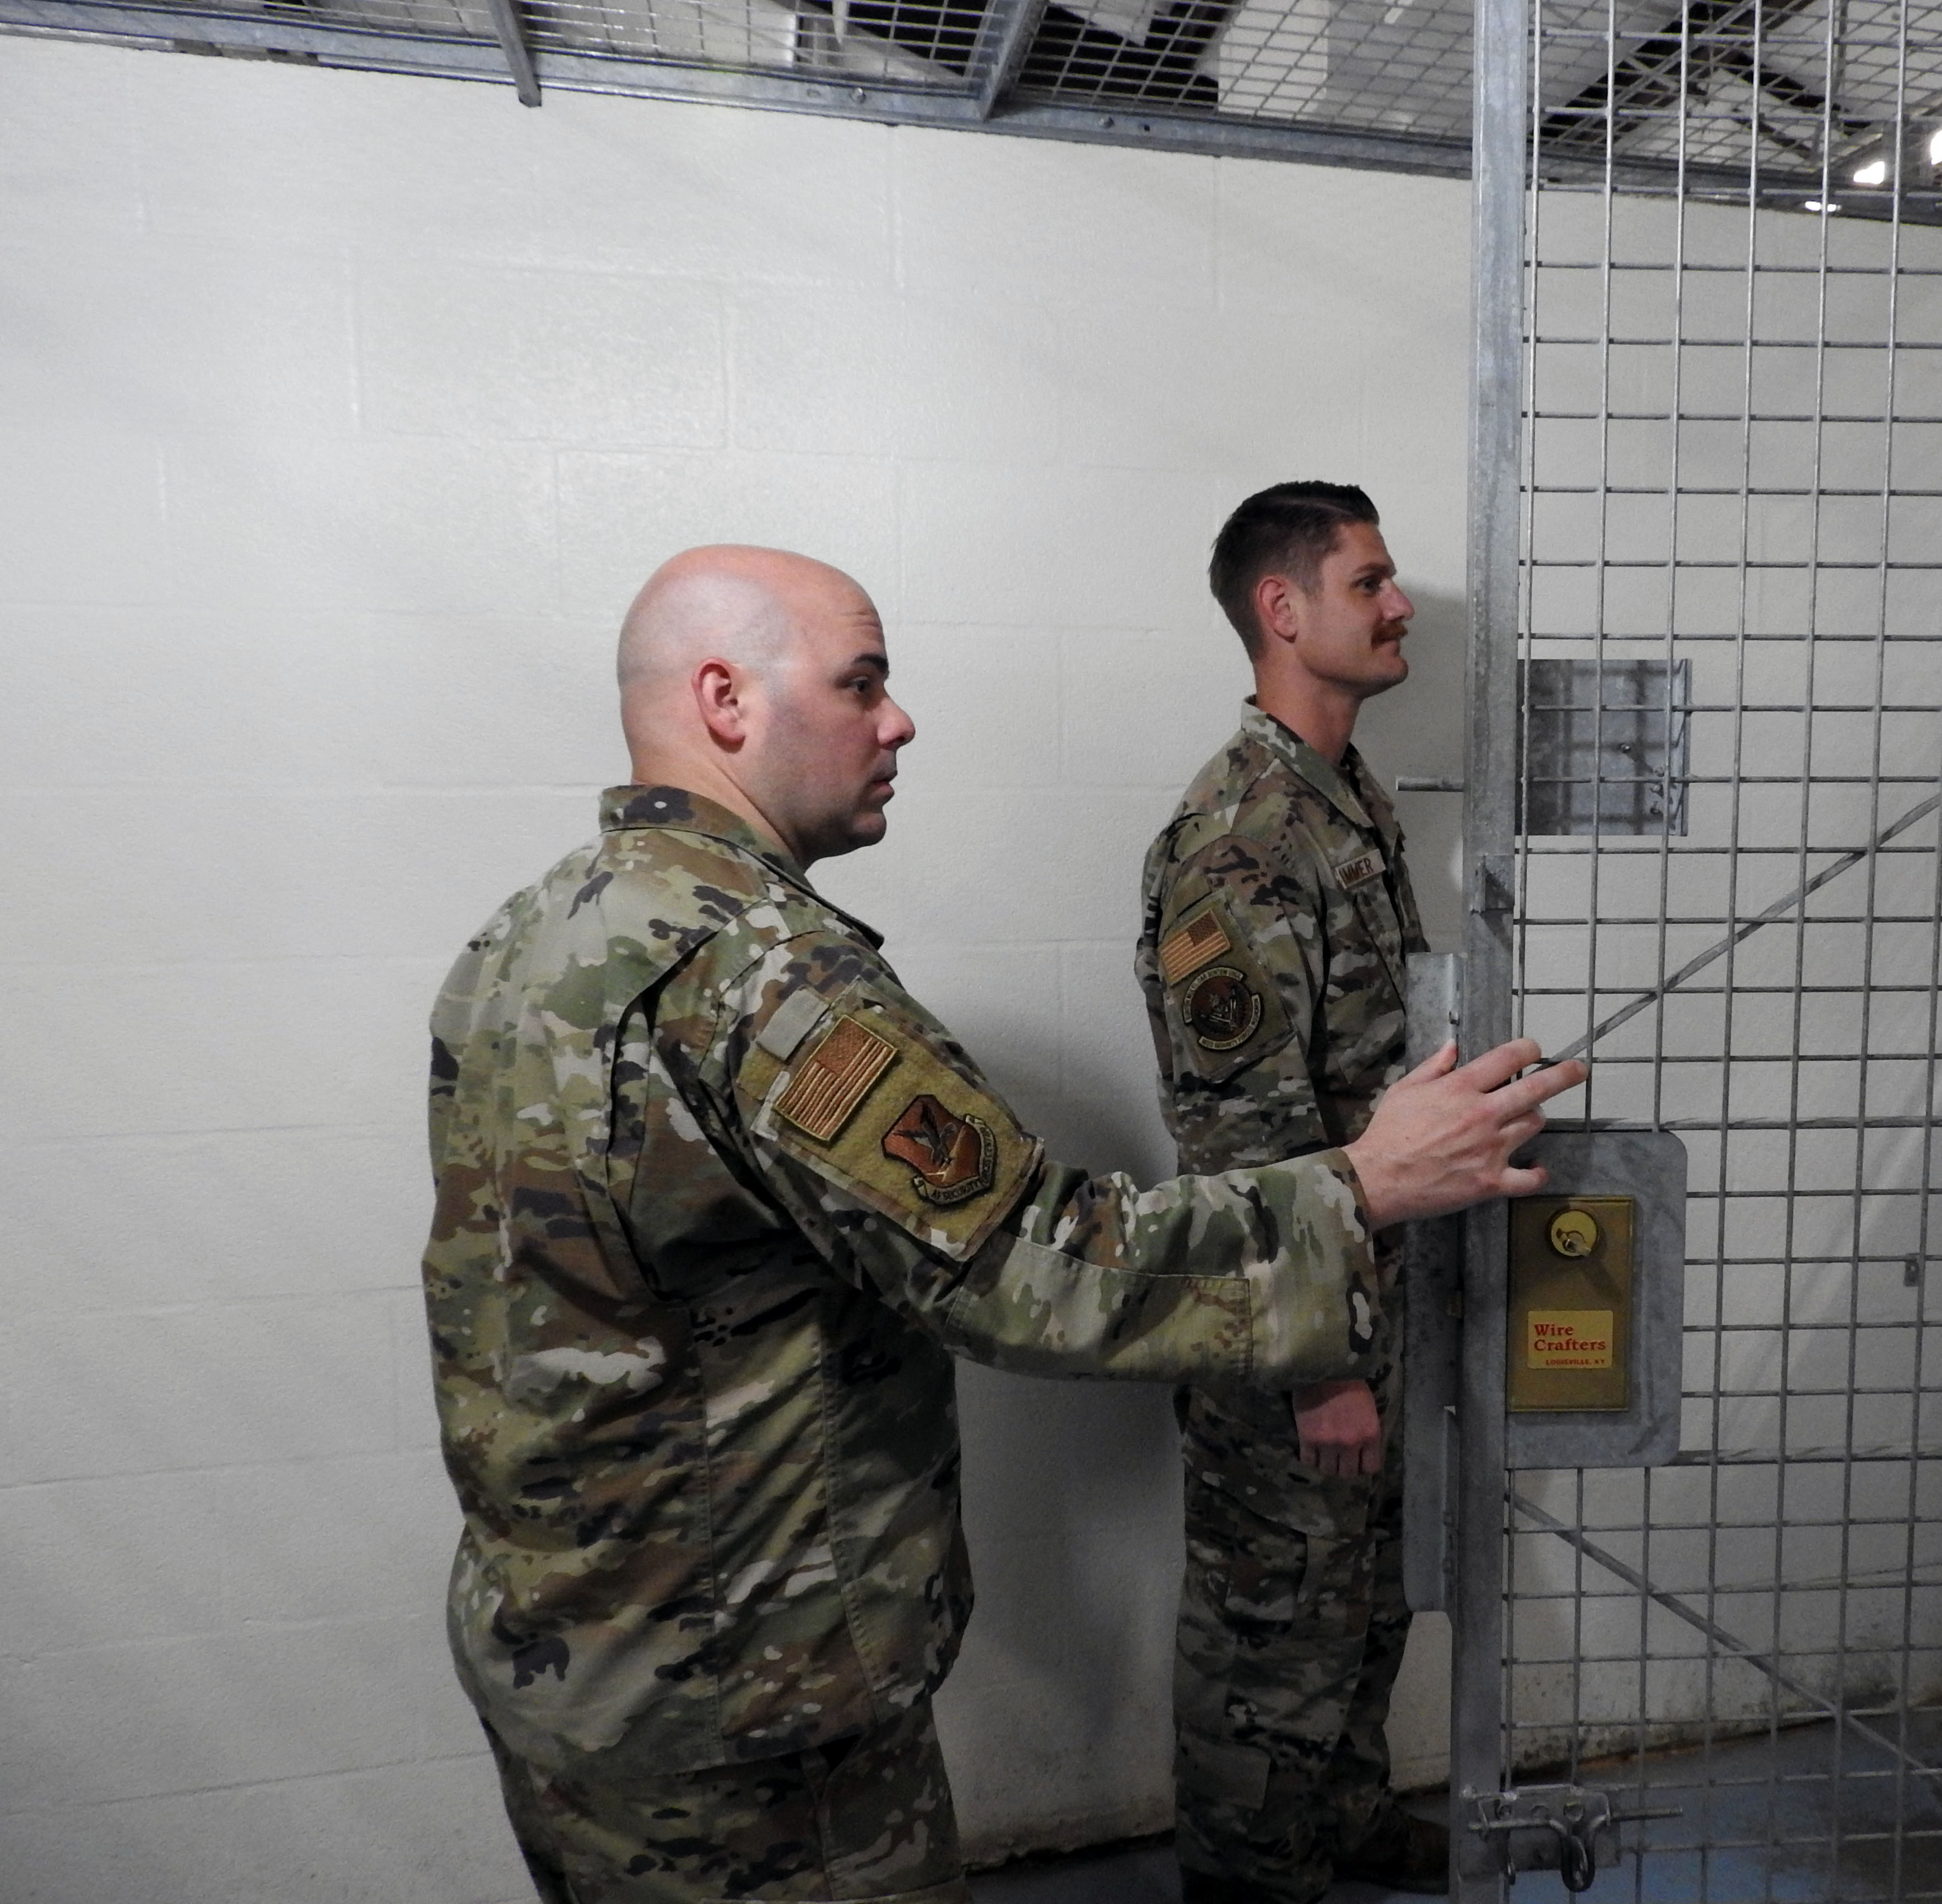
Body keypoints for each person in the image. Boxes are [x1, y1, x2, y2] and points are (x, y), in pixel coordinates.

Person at [423, 544, 1586, 1904]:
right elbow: (1036, 1266)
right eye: (862, 685)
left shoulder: (531, 936)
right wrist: (1368, 1186)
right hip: (746, 1714)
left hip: (581, 1663)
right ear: (726, 702)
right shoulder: (757, 976)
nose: (898, 719)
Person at [1134, 484, 1442, 1904]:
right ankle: (1256, 1876)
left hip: (1371, 1291)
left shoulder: (1350, 801)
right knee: (1274, 1626)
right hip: (1291, 1327)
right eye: (1371, 582)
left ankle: (1347, 1824)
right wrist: (1322, 1363)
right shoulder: (1244, 839)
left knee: (1360, 1599)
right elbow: (1241, 1151)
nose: (1401, 608)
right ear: (1283, 609)